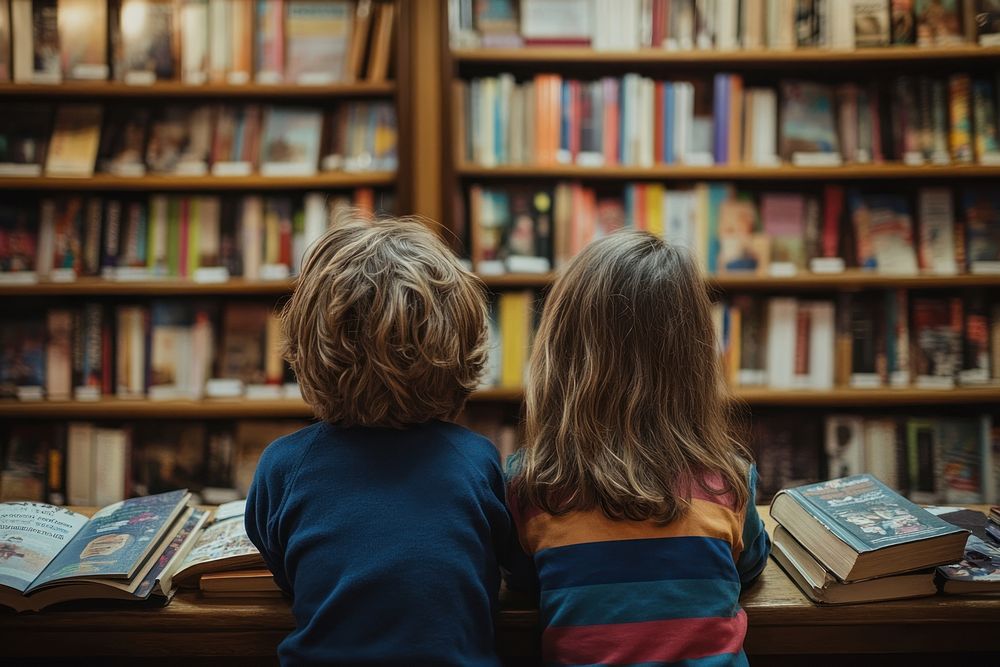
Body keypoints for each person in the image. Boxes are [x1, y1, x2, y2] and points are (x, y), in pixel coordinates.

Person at [245, 212, 511, 666]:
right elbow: (504, 568)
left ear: (309, 344)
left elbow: (289, 577)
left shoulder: (283, 466)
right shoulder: (478, 461)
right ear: (459, 345)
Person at [505, 231, 771, 667]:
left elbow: (522, 579)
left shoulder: (532, 486)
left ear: (560, 353)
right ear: (697, 361)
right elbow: (748, 568)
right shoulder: (727, 481)